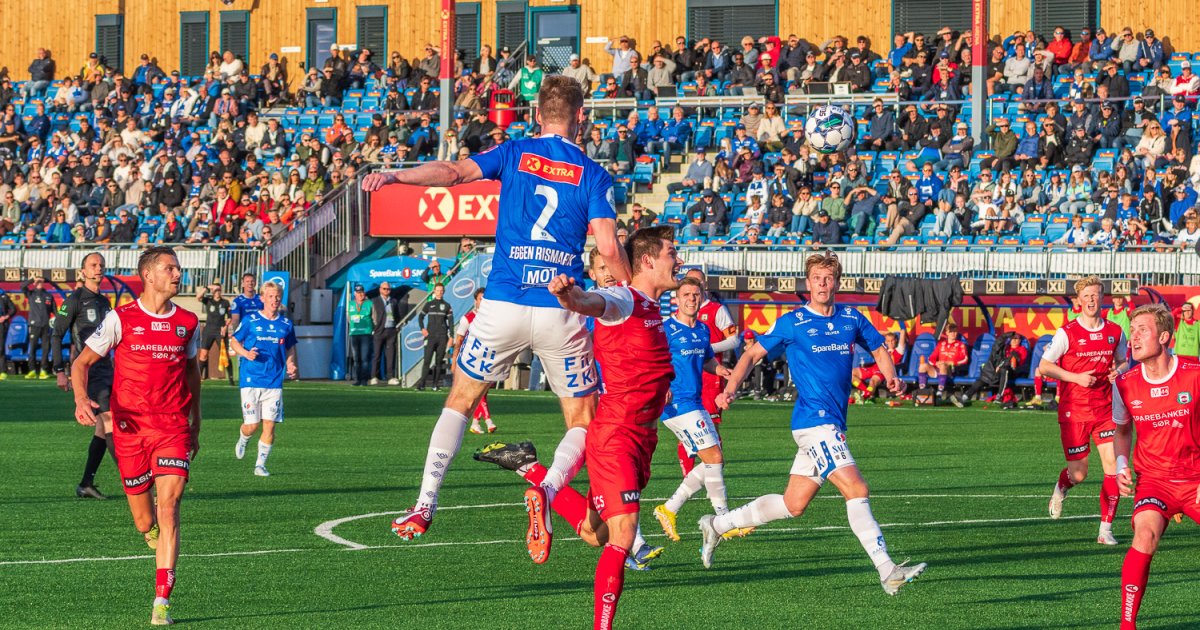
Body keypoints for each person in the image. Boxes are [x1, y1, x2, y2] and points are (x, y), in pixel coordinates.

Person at [361, 76, 629, 540]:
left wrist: (395, 176)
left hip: (503, 300)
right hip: (560, 307)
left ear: (537, 115)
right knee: (583, 421)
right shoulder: (592, 172)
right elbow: (606, 244)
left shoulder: (514, 151)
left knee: (461, 401)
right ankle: (552, 490)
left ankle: (425, 504)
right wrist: (632, 294)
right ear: (581, 117)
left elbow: (451, 173)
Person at [698, 252, 926, 596]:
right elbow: (750, 354)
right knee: (857, 489)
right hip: (813, 423)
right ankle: (887, 568)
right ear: (808, 283)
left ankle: (717, 524)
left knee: (794, 504)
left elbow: (879, 349)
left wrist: (891, 376)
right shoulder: (792, 322)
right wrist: (729, 390)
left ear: (837, 282)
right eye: (817, 278)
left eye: (828, 278)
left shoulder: (852, 318)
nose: (823, 283)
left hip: (832, 422)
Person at [71, 247, 200, 626]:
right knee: (145, 522)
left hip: (172, 427)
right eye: (170, 268)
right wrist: (81, 399)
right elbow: (81, 363)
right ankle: (150, 531)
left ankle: (162, 601)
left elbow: (193, 374)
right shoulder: (120, 319)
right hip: (129, 431)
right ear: (148, 275)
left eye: (178, 268)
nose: (177, 274)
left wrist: (196, 423)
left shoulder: (188, 322)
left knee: (170, 507)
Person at [1113, 304, 1200, 629]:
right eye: (1132, 330)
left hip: (1195, 479)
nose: (1133, 337)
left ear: (1164, 336)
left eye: (1142, 330)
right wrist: (1122, 464)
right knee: (1144, 535)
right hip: (1154, 482)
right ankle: (1127, 625)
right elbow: (1122, 431)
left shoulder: (1194, 373)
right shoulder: (1125, 384)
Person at [1038, 276, 1127, 545]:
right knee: (1079, 473)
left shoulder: (1115, 331)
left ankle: (1105, 529)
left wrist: (1118, 371)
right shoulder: (1067, 332)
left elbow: (1123, 361)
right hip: (1074, 410)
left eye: (1096, 294)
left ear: (1102, 298)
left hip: (1104, 409)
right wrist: (1075, 377)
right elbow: (1044, 366)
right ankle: (1062, 487)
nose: (1091, 299)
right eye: (1086, 295)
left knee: (1112, 468)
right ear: (1078, 301)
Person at [653, 275, 736, 541]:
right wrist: (661, 384)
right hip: (677, 403)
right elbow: (654, 361)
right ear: (675, 299)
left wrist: (720, 369)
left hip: (695, 402)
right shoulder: (667, 329)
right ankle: (723, 519)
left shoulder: (701, 330)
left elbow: (707, 359)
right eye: (686, 294)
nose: (691, 299)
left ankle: (669, 508)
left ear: (701, 298)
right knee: (714, 458)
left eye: (695, 295)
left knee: (712, 459)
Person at [52, 253, 114, 499]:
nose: (98, 268)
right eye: (93, 265)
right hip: (91, 373)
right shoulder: (75, 299)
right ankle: (137, 486)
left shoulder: (104, 302)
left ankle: (86, 483)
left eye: (101, 265)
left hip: (109, 369)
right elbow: (57, 333)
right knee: (110, 422)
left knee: (102, 427)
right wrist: (60, 371)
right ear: (83, 271)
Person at [229, 281, 297, 477]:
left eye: (277, 297)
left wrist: (291, 364)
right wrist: (245, 353)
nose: (274, 300)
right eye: (270, 296)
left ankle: (260, 465)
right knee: (253, 425)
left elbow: (290, 347)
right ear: (262, 298)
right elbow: (234, 340)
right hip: (251, 378)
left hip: (274, 381)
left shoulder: (286, 324)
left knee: (270, 424)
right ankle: (243, 437)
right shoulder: (251, 320)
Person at [679, 268, 739, 476]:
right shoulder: (678, 314)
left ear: (704, 286)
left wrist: (705, 350)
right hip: (686, 377)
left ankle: (714, 471)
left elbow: (734, 339)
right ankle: (687, 474)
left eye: (697, 284)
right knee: (686, 428)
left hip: (711, 375)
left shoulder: (716, 310)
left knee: (710, 427)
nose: (692, 293)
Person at [451, 288, 496, 434]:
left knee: (482, 391)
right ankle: (488, 421)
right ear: (475, 301)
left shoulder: (491, 318)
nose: (483, 302)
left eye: (485, 299)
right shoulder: (468, 318)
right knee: (479, 390)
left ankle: (475, 423)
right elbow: (458, 340)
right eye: (480, 299)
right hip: (469, 359)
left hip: (486, 357)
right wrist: (454, 360)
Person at [917, 322, 969, 402]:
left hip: (951, 371)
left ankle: (940, 392)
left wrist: (951, 363)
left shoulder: (960, 345)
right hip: (938, 369)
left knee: (943, 365)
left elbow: (965, 359)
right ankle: (922, 390)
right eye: (951, 331)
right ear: (946, 333)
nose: (953, 334)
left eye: (955, 331)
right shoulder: (941, 344)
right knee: (923, 366)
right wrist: (936, 363)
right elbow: (931, 358)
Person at [417, 284, 454, 391]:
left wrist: (451, 336)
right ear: (434, 291)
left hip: (442, 337)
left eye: (441, 290)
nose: (440, 292)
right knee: (427, 361)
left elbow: (451, 322)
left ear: (444, 291)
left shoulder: (447, 306)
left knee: (438, 362)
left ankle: (435, 385)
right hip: (430, 337)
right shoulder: (429, 304)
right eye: (438, 290)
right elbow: (420, 317)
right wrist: (422, 329)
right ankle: (422, 384)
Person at [228, 274, 263, 386]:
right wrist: (238, 337)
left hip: (260, 335)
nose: (250, 283)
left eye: (252, 281)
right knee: (244, 359)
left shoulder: (260, 299)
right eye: (247, 281)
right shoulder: (238, 301)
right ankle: (245, 383)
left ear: (255, 283)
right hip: (246, 337)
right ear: (243, 284)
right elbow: (235, 320)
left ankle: (260, 381)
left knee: (260, 359)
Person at [371, 281, 404, 385]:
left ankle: (390, 377)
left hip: (391, 331)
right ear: (380, 289)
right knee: (377, 355)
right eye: (384, 289)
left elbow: (397, 315)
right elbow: (371, 316)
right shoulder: (374, 301)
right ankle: (374, 377)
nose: (386, 291)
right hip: (379, 331)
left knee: (390, 355)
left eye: (388, 289)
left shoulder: (393, 301)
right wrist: (374, 328)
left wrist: (397, 326)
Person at [196, 282, 231, 381]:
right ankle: (199, 377)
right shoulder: (208, 301)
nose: (217, 292)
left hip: (220, 331)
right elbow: (198, 297)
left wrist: (225, 326)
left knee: (225, 354)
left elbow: (229, 317)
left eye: (219, 290)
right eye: (215, 290)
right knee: (203, 354)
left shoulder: (225, 302)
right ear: (212, 291)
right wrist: (207, 287)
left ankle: (231, 379)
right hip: (208, 331)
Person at [22, 276, 55, 379]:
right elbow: (22, 286)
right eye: (38, 282)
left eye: (41, 282)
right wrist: (32, 279)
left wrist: (58, 319)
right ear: (34, 284)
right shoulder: (31, 294)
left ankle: (43, 370)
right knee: (32, 348)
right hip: (34, 325)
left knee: (46, 348)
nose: (39, 283)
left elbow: (55, 311)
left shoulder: (48, 295)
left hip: (45, 325)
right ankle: (32, 370)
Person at [347, 284, 373, 387]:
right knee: (356, 358)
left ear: (364, 293)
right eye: (358, 293)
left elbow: (374, 317)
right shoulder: (351, 304)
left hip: (365, 333)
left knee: (364, 358)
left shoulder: (369, 303)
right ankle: (358, 379)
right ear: (355, 294)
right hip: (354, 333)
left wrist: (372, 330)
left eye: (362, 292)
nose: (360, 294)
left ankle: (364, 380)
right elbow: (349, 318)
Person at [0, 289, 15, 379]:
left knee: (0, 348)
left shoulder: (4, 296)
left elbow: (13, 309)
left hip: (1, 326)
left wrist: (5, 317)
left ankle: (2, 371)